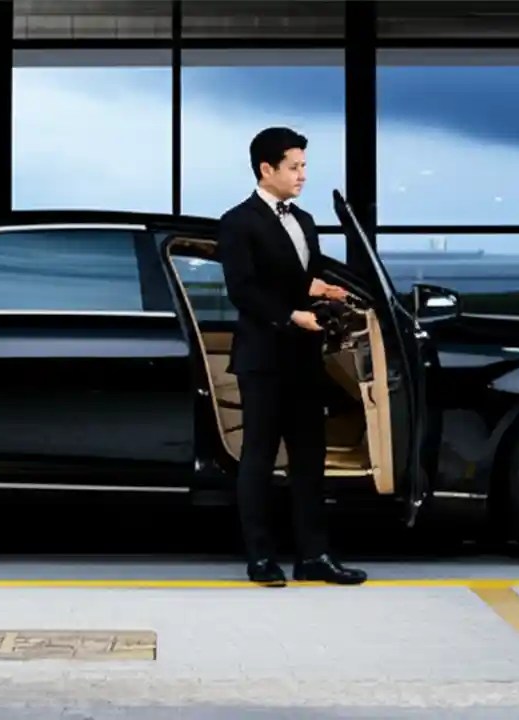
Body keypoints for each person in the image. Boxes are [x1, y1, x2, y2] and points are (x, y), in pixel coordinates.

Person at [215, 126, 368, 587]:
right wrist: (291, 316)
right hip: (263, 357)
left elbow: (300, 275)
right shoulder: (238, 221)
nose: (303, 175)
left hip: (304, 358)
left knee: (310, 459)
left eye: (304, 166)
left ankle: (314, 556)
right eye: (294, 167)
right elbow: (243, 289)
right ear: (267, 169)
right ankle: (261, 558)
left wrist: (324, 290)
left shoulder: (302, 220)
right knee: (259, 458)